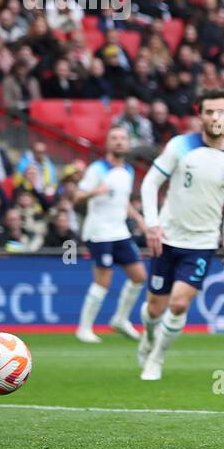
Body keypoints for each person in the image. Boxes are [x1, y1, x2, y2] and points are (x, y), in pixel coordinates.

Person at [137, 90, 224, 381]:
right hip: (167, 238)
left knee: (178, 304)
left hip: (201, 244)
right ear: (200, 116)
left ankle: (156, 359)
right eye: (209, 112)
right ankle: (148, 336)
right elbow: (150, 183)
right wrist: (152, 225)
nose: (215, 117)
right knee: (154, 308)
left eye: (221, 112)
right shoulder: (181, 145)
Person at [73, 126, 146, 344]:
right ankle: (84, 328)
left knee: (139, 276)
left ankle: (120, 319)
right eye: (114, 138)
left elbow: (123, 202)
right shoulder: (98, 169)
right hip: (99, 232)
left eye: (123, 138)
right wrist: (96, 192)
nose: (119, 142)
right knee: (103, 281)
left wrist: (140, 220)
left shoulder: (128, 171)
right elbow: (77, 198)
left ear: (128, 143)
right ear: (107, 143)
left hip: (119, 230)